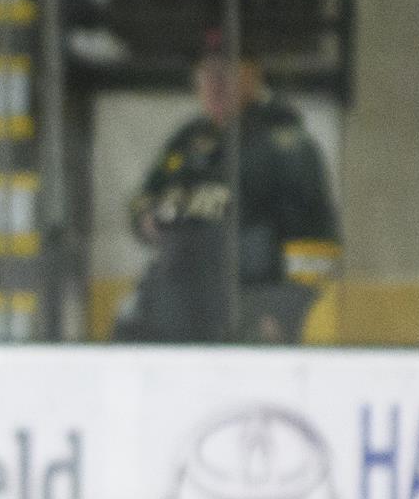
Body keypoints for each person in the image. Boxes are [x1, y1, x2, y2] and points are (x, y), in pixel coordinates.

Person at [115, 38, 341, 343]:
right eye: (206, 74)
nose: (214, 84)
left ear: (253, 76)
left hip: (247, 305)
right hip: (174, 305)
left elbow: (314, 241)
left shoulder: (286, 147)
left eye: (226, 73)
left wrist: (281, 310)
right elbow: (144, 202)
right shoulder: (188, 140)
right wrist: (148, 218)